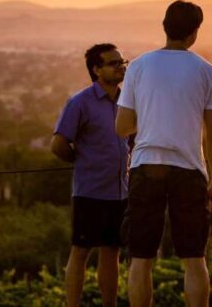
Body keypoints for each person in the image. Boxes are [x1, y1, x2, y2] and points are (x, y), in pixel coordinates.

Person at [114, 0, 212, 307]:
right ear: (194, 34)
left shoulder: (137, 66)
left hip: (145, 165)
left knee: (141, 258)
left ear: (165, 27)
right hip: (189, 169)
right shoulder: (206, 71)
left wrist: (149, 120)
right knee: (194, 258)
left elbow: (121, 127)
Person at [51, 43, 131, 307]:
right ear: (96, 70)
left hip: (120, 190)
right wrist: (84, 161)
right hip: (90, 190)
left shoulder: (128, 101)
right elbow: (58, 145)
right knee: (81, 252)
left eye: (122, 62)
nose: (121, 67)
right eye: (113, 63)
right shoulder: (80, 102)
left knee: (112, 252)